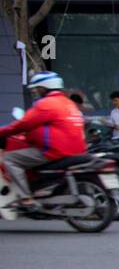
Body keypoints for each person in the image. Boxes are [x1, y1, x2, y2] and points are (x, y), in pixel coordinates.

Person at [0, 71, 86, 212]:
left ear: (44, 87)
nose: (36, 92)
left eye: (37, 88)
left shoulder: (46, 104)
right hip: (78, 150)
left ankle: (26, 198)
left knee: (10, 159)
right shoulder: (68, 103)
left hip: (53, 151)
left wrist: (2, 132)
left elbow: (23, 125)